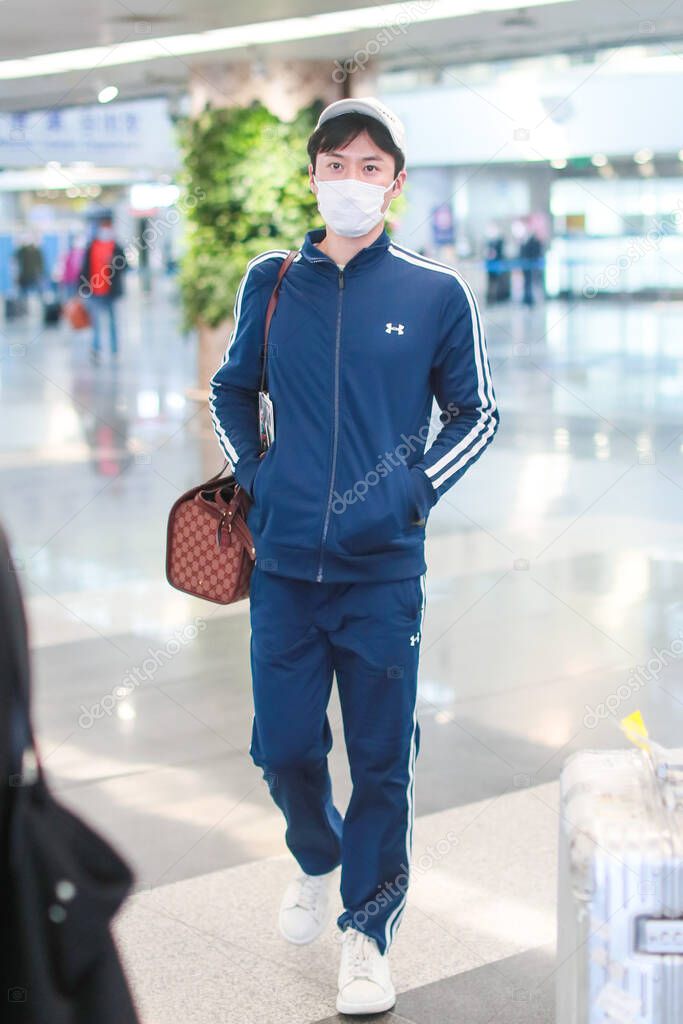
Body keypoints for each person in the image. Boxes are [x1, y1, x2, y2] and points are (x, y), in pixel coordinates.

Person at [208, 97, 499, 1016]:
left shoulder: (431, 291)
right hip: (285, 568)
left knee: (382, 762)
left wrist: (408, 494)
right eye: (335, 164)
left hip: (382, 578)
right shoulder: (273, 278)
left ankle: (367, 929)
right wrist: (255, 477)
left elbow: (475, 413)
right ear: (312, 177)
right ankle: (316, 854)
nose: (351, 181)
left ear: (395, 184)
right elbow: (231, 389)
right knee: (282, 748)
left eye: (370, 166)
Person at [79, 217, 127, 363]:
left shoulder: (116, 247)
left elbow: (124, 266)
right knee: (96, 322)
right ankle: (96, 349)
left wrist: (113, 262)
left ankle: (114, 350)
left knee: (112, 321)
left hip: (110, 291)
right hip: (94, 290)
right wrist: (82, 286)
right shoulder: (92, 247)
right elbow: (85, 268)